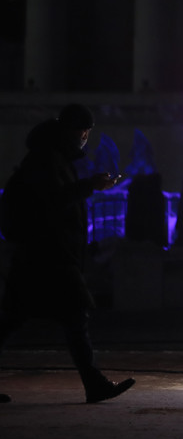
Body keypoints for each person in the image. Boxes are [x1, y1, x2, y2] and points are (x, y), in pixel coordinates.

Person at [0, 104, 134, 403]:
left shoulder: (51, 156)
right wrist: (89, 185)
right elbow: (52, 201)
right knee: (74, 315)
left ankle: (94, 383)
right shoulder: (46, 159)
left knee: (16, 318)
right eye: (83, 131)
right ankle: (95, 384)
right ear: (71, 131)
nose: (85, 137)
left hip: (43, 254)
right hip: (47, 255)